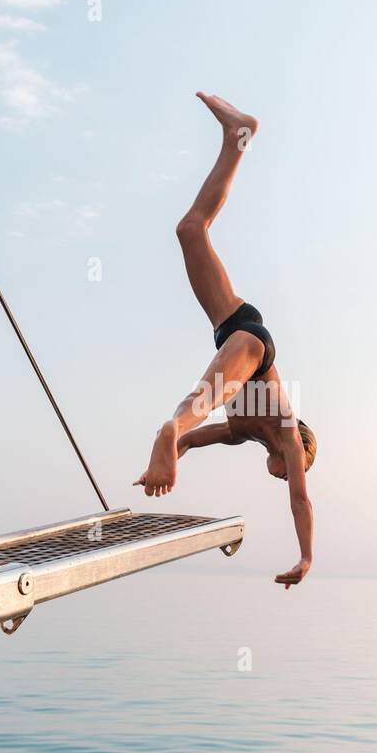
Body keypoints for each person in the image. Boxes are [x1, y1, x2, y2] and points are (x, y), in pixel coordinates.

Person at [135, 93, 316, 587]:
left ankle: (237, 137)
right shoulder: (283, 432)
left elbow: (197, 441)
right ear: (296, 449)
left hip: (232, 322)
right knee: (197, 403)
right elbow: (301, 500)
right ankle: (164, 426)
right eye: (292, 467)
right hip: (255, 349)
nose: (285, 475)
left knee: (190, 229)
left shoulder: (242, 435)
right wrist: (306, 558)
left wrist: (170, 459)